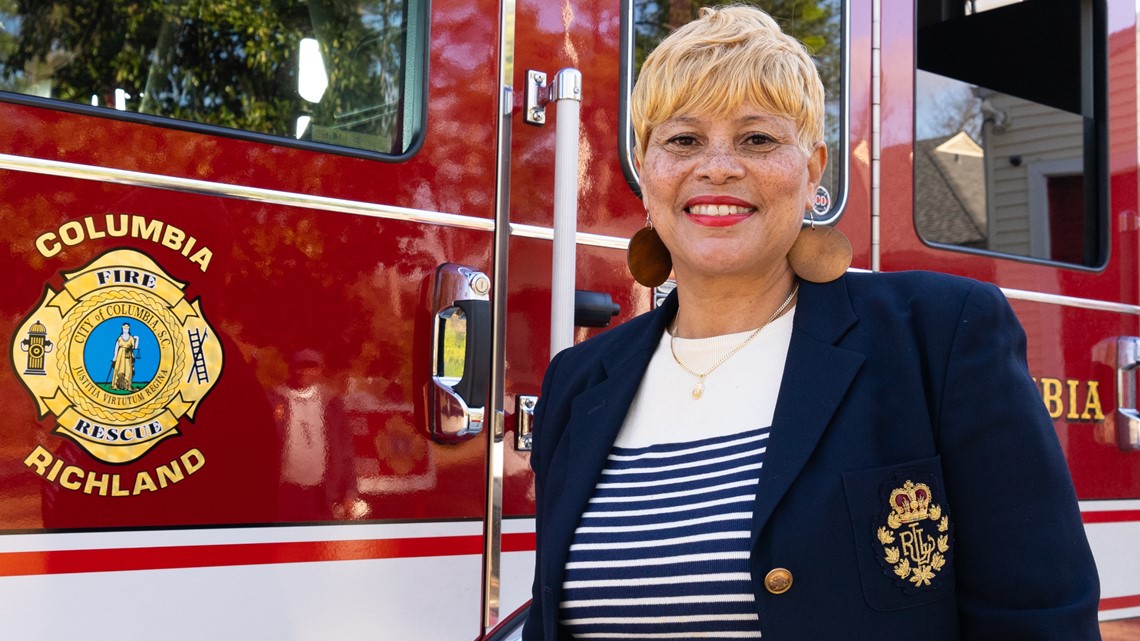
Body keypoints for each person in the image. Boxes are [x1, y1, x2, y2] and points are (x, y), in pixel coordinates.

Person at [523, 6, 1100, 640]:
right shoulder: (577, 384)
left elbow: (1040, 619)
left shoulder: (940, 337)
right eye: (683, 140)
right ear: (645, 169)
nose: (718, 167)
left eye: (758, 139)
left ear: (814, 169)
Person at [110, 322, 139, 391]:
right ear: (122, 329)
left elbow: (135, 347)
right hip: (120, 356)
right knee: (119, 369)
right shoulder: (120, 338)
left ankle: (127, 386)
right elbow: (116, 348)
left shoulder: (131, 338)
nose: (125, 330)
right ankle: (116, 385)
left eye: (127, 328)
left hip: (128, 356)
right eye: (124, 328)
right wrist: (115, 357)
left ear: (129, 329)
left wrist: (137, 339)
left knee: (128, 370)